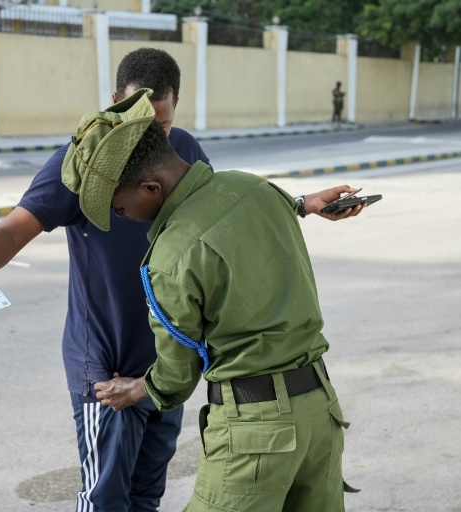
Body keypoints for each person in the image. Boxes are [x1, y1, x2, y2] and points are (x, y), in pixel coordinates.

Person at [0, 49, 361, 512]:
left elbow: (221, 212)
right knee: (105, 499)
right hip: (111, 370)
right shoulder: (87, 164)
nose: (147, 135)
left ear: (175, 106)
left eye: (159, 123)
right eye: (138, 119)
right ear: (116, 102)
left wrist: (300, 204)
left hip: (166, 366)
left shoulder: (178, 153)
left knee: (147, 496)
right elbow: (12, 228)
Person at [61, 88, 359, 512]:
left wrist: (140, 388)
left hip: (256, 433)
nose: (120, 219)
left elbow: (178, 375)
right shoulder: (256, 188)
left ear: (149, 187)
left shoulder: (169, 257)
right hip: (320, 412)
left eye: (120, 208)